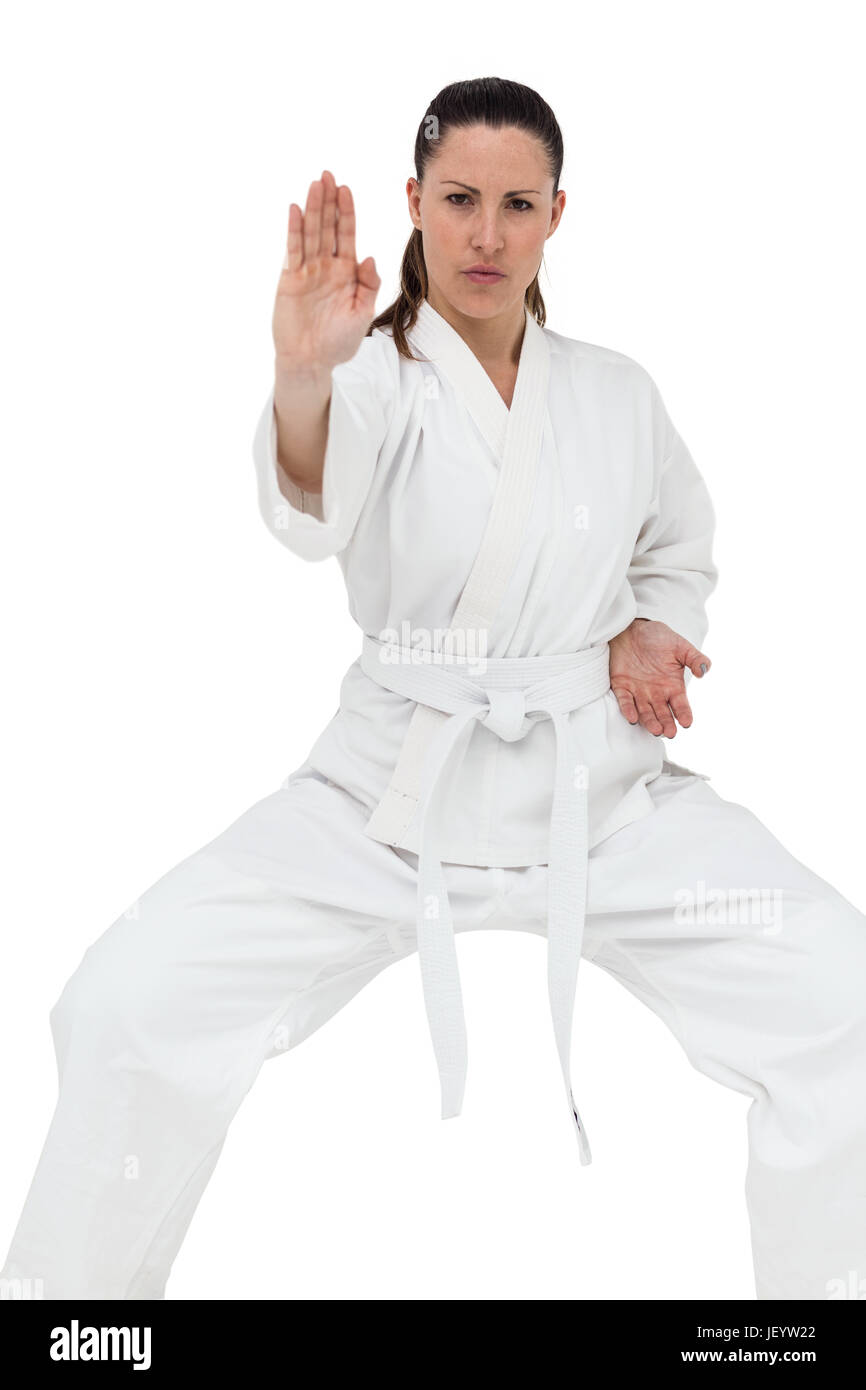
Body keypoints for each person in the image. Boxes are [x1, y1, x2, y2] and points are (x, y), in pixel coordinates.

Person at [2, 75, 864, 1303]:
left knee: (843, 991)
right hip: (386, 798)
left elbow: (677, 544)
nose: (485, 233)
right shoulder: (370, 375)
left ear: (558, 214)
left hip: (601, 795)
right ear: (412, 201)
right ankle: (68, 1322)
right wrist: (300, 374)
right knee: (122, 999)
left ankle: (815, 1324)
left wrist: (647, 630)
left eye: (517, 203)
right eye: (457, 199)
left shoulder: (616, 391)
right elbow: (312, 504)